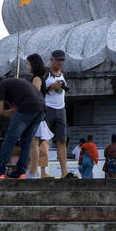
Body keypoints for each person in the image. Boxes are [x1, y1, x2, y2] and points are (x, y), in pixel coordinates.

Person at [0, 73, 47, 180]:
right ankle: (20, 171)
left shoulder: (0, 86)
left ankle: (0, 170)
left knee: (10, 139)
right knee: (25, 141)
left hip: (28, 107)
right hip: (41, 109)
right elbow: (13, 112)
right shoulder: (15, 86)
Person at [44, 50, 71, 180]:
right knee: (43, 139)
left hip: (61, 109)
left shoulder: (62, 74)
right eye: (58, 60)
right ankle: (43, 171)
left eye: (62, 60)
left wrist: (59, 86)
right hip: (47, 108)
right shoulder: (45, 74)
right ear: (52, 60)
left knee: (62, 140)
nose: (60, 63)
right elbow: (37, 90)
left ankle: (64, 171)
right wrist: (51, 87)